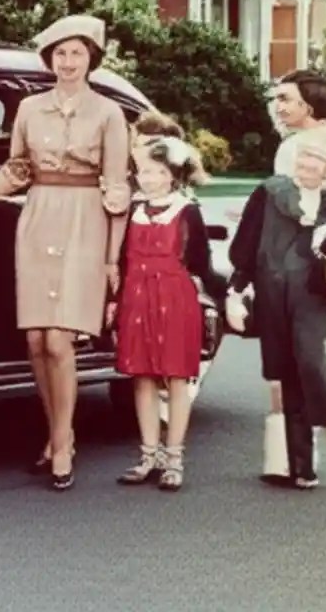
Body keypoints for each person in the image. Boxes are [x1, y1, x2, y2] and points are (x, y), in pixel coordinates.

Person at [0, 14, 132, 490]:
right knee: (36, 341)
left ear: (92, 60)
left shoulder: (109, 114)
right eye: (61, 54)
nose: (68, 63)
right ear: (50, 60)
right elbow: (18, 170)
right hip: (39, 215)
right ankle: (55, 432)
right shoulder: (29, 108)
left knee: (61, 339)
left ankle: (63, 442)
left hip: (85, 221)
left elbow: (117, 190)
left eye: (78, 54)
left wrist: (111, 259)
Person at [226, 143, 326, 492]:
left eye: (318, 160)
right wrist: (235, 291)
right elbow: (246, 242)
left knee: (310, 362)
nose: (308, 165)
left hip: (311, 295)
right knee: (286, 372)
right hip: (272, 291)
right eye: (304, 158)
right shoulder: (269, 193)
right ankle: (302, 467)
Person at [251, 69, 326, 485]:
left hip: (315, 256)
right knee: (282, 362)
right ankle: (295, 462)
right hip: (276, 260)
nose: (277, 106)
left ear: (309, 105)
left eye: (285, 98)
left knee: (310, 356)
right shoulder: (286, 146)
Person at [107, 137, 224, 491]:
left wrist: (226, 299)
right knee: (141, 376)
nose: (150, 178)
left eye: (159, 172)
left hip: (174, 298)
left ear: (173, 175)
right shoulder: (133, 210)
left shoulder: (186, 210)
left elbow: (202, 262)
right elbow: (124, 261)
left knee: (175, 377)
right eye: (144, 171)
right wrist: (114, 299)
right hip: (137, 298)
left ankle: (174, 457)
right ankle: (148, 454)